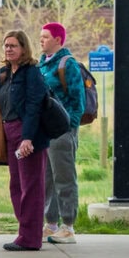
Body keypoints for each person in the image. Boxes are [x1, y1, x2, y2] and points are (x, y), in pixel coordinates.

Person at [0, 29, 52, 251]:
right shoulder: (5, 73)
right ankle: (25, 230)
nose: (8, 49)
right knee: (16, 184)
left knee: (31, 186)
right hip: (9, 131)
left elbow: (34, 107)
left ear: (24, 48)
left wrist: (27, 138)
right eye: (6, 45)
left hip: (28, 133)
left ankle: (30, 238)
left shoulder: (32, 73)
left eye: (13, 46)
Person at [37, 22, 84, 244]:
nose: (41, 40)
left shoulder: (68, 64)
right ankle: (51, 223)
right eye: (40, 36)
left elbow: (78, 101)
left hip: (62, 131)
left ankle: (68, 226)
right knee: (48, 179)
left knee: (64, 177)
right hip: (45, 132)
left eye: (45, 36)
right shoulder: (42, 64)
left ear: (58, 39)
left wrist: (68, 126)